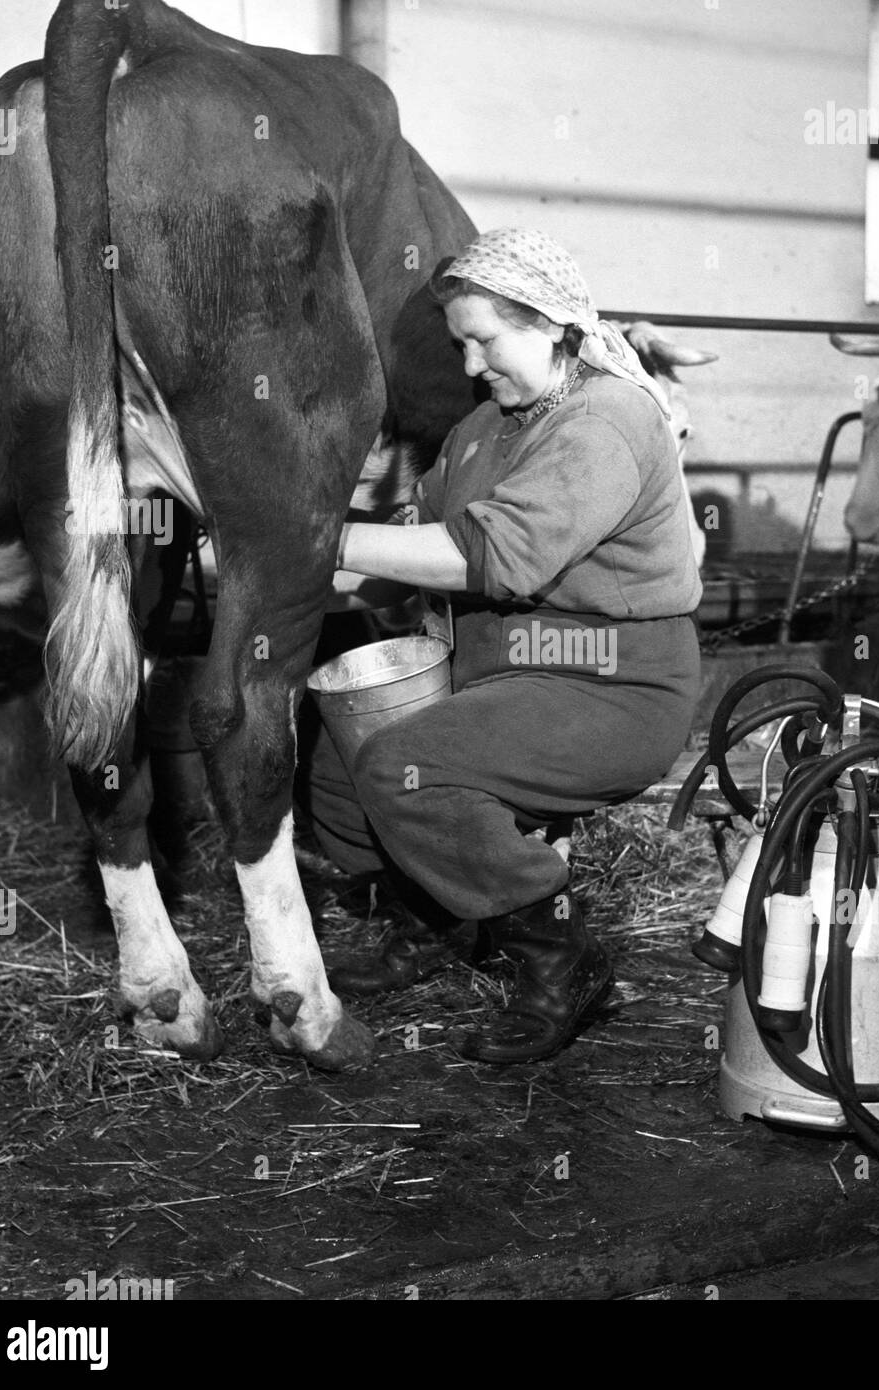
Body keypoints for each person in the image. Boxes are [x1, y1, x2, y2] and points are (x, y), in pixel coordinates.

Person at [300, 227, 702, 1064]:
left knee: (409, 767)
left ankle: (565, 960)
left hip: (610, 680)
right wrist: (286, 574)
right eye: (461, 346)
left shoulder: (608, 420)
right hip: (499, 669)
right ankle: (439, 918)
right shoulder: (484, 428)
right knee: (340, 765)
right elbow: (420, 537)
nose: (472, 364)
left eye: (484, 340)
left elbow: (492, 553)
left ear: (551, 324)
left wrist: (316, 540)